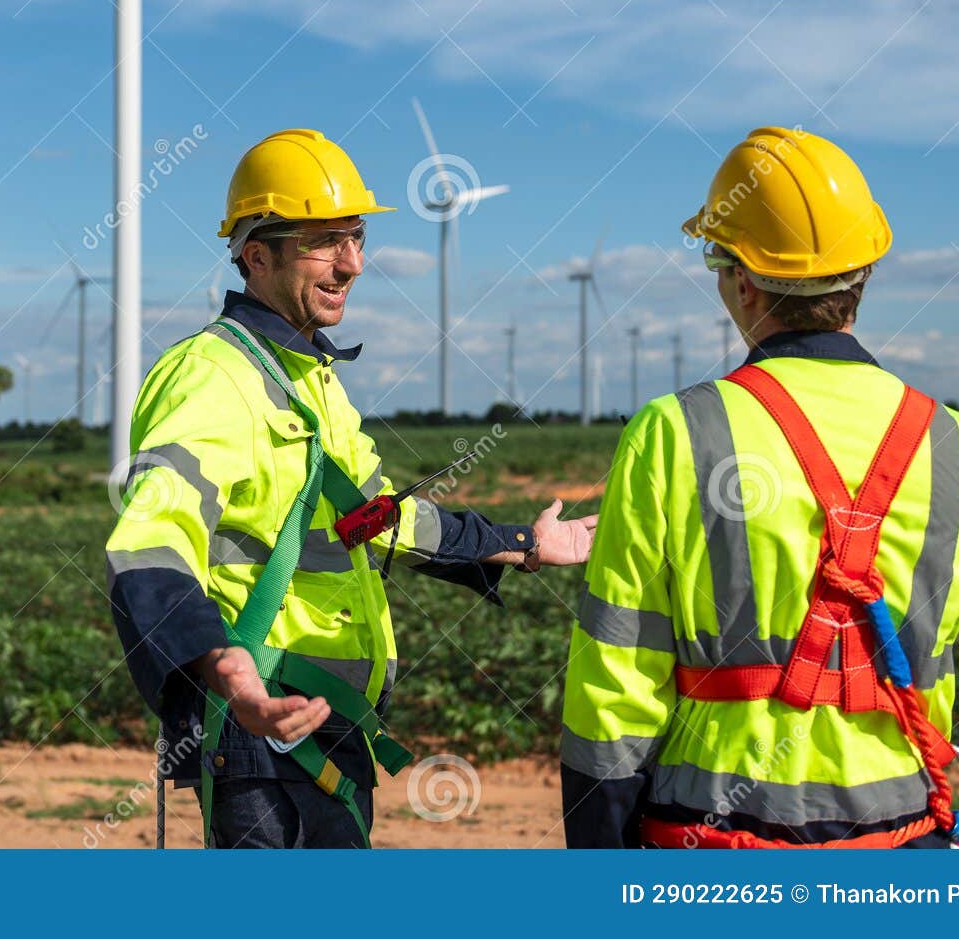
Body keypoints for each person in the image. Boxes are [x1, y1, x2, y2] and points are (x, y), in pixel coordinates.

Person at [107, 128, 596, 848]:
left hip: (332, 731)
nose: (353, 263)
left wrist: (523, 543)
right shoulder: (212, 375)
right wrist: (226, 669)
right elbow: (148, 542)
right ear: (256, 255)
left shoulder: (311, 378)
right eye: (325, 242)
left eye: (357, 237)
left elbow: (376, 519)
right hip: (263, 732)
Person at [561, 126, 959, 848]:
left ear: (744, 281)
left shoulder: (673, 433)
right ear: (863, 277)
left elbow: (616, 676)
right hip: (904, 840)